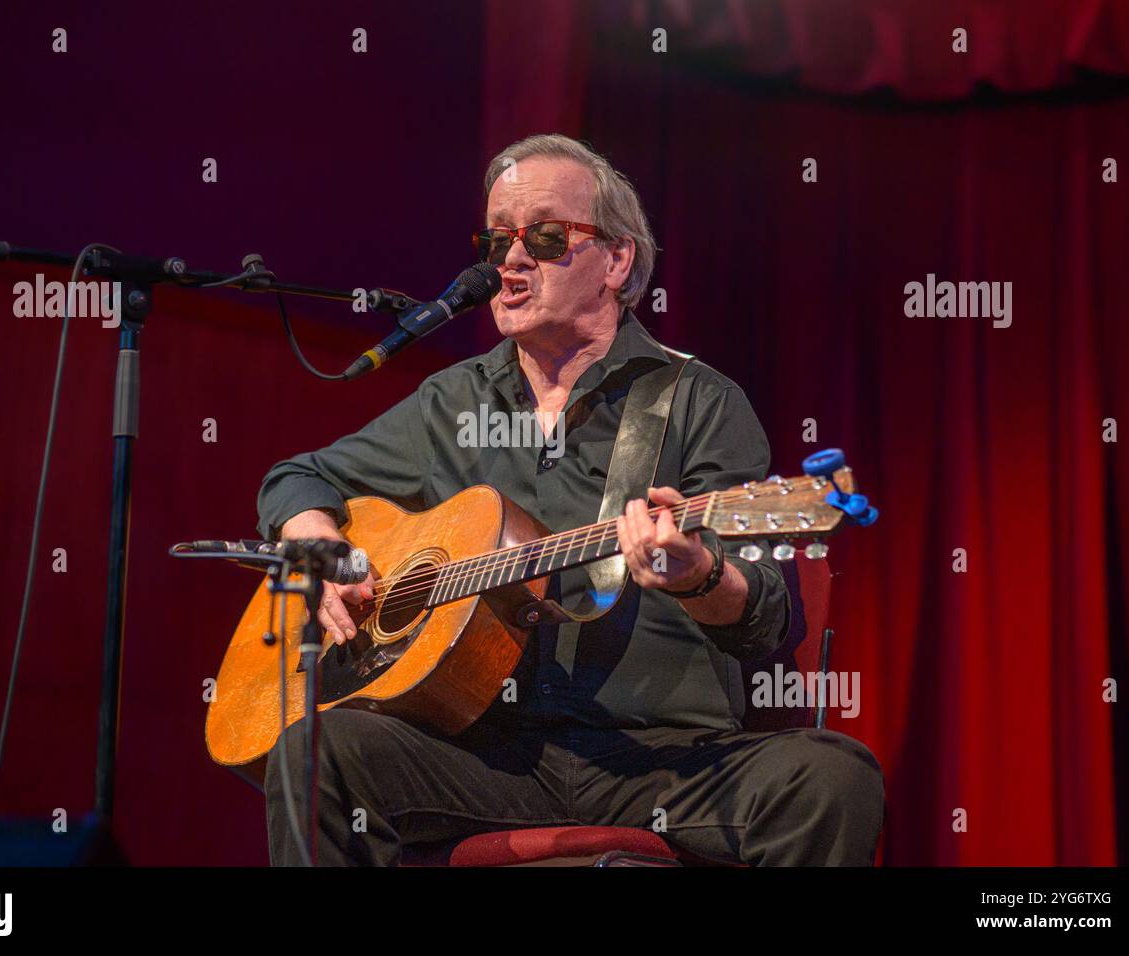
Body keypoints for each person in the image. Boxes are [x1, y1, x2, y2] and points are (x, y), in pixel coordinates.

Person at [257, 133, 884, 866]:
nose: (511, 261)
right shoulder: (453, 402)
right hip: (484, 759)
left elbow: (768, 622)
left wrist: (699, 577)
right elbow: (295, 479)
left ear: (616, 261)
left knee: (832, 778)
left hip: (663, 760)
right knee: (314, 749)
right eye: (497, 242)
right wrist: (323, 547)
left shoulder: (698, 400)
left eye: (546, 237)